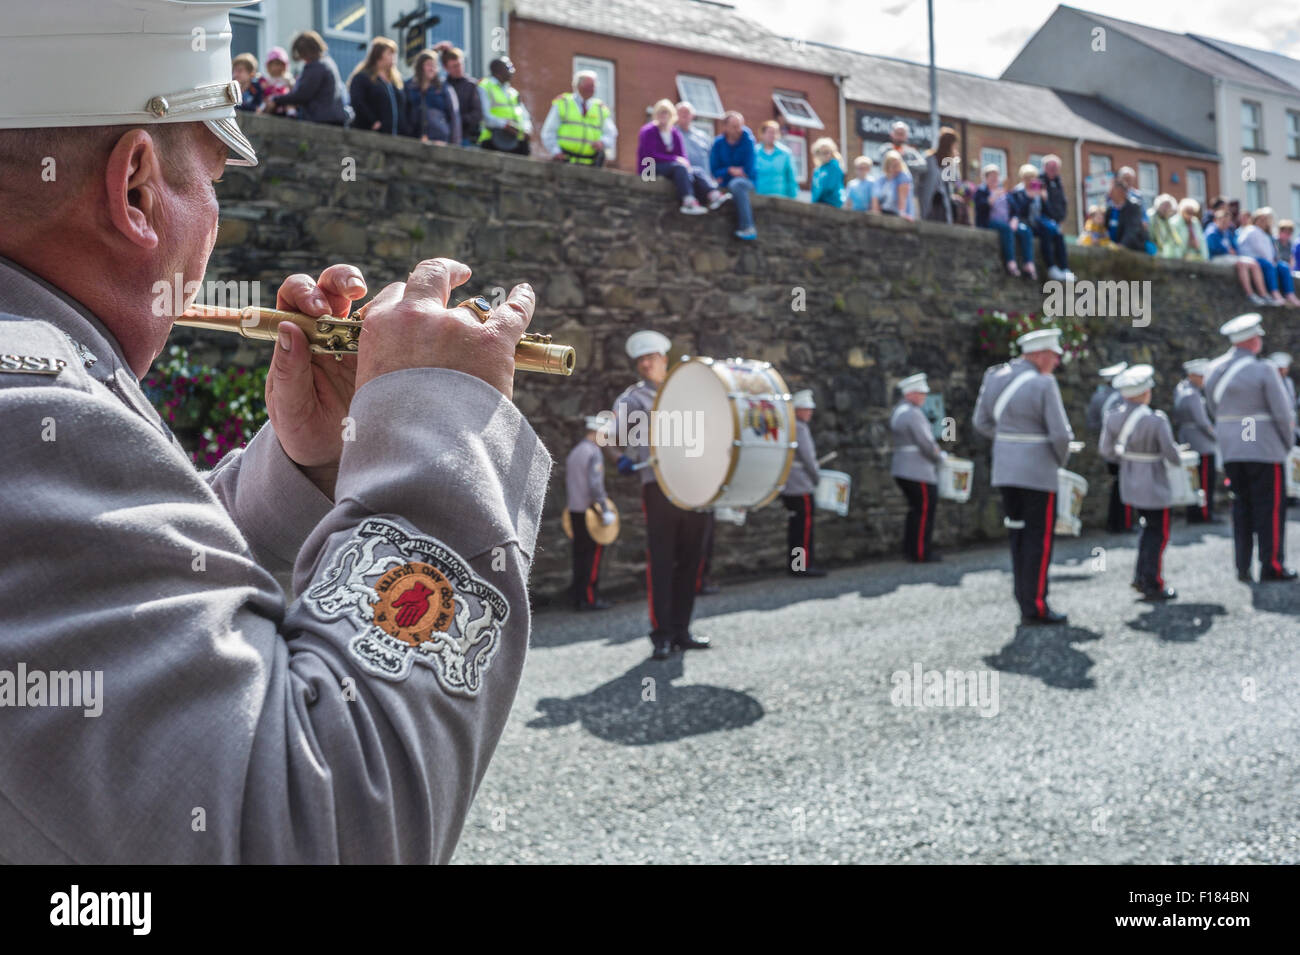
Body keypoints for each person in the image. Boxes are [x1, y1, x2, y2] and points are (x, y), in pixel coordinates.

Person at [0, 0, 549, 864]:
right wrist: (443, 428)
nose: (213, 222)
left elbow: (137, 617)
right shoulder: (31, 407)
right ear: (137, 186)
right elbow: (313, 825)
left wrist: (306, 469)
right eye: (211, 179)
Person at [612, 331, 711, 659]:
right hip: (659, 487)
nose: (644, 364)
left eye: (650, 358)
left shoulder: (688, 393)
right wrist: (622, 459)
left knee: (691, 561)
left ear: (664, 359)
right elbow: (610, 439)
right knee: (662, 562)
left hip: (695, 485)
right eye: (640, 360)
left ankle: (682, 630)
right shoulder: (632, 400)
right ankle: (662, 635)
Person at [973, 328, 1075, 625]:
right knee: (1038, 539)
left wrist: (1009, 443)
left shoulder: (994, 376)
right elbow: (1060, 435)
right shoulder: (1044, 383)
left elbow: (981, 422)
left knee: (1017, 534)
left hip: (1005, 470)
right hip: (1037, 471)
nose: (1056, 362)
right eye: (1054, 356)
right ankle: (1036, 604)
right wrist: (1058, 460)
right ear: (1040, 354)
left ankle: (1024, 599)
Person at [1203, 314, 1298, 582]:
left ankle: (1242, 565)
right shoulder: (1264, 369)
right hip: (1263, 448)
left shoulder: (1213, 369)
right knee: (1270, 508)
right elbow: (1282, 412)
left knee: (1241, 506)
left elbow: (1213, 408)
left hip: (1232, 447)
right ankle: (1271, 565)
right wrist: (1288, 443)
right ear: (1253, 340)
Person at [1102, 366, 1182, 600]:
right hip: (1154, 482)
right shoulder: (1155, 419)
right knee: (1158, 533)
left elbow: (1106, 450)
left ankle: (1141, 576)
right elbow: (1172, 455)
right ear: (1144, 392)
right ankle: (1152, 582)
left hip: (1129, 479)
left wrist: (1128, 458)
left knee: (1147, 530)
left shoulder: (1113, 416)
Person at [636, 99, 725, 215]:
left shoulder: (674, 133)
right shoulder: (648, 131)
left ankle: (713, 194)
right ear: (656, 115)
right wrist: (675, 160)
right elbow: (650, 155)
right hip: (649, 168)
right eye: (660, 112)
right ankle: (688, 201)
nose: (663, 115)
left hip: (669, 166)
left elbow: (682, 155)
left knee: (696, 170)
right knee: (679, 167)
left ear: (671, 115)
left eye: (666, 112)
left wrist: (685, 165)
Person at [891, 373, 945, 563]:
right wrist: (940, 457)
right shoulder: (913, 413)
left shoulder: (899, 410)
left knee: (915, 511)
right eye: (921, 393)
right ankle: (921, 551)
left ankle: (911, 549)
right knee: (923, 511)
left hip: (903, 469)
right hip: (917, 470)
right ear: (911, 394)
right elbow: (926, 443)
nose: (924, 397)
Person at [567, 416, 616, 611]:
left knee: (579, 556)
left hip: (575, 510)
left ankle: (578, 596)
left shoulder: (576, 452)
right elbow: (595, 486)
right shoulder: (593, 452)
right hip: (590, 513)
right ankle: (589, 597)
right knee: (592, 557)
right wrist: (605, 509)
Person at [780, 390, 827, 577]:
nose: (810, 413)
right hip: (801, 484)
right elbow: (808, 458)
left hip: (789, 484)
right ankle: (802, 566)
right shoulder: (800, 428)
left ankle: (795, 565)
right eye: (806, 409)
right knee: (804, 530)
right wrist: (816, 478)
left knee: (796, 528)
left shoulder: (788, 426)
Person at [1086, 361, 1133, 533]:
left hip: (1107, 446)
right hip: (1121, 447)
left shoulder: (1098, 397)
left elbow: (1092, 423)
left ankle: (1114, 523)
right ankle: (1123, 523)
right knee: (1124, 485)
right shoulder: (1120, 398)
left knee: (1117, 485)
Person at [1171, 359, 1219, 523]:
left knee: (1193, 480)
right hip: (1202, 443)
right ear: (1193, 376)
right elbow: (1203, 422)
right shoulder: (1193, 395)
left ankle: (1194, 513)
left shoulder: (1180, 389)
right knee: (1204, 480)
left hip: (1188, 438)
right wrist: (1217, 436)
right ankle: (1204, 514)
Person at [267, 30, 348, 126]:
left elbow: (302, 95)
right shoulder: (327, 62)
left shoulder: (316, 67)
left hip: (321, 120)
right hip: (332, 118)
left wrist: (275, 99)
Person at [1010, 164, 1074, 280]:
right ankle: (1050, 267)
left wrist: (1045, 199)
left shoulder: (1038, 191)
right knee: (1046, 234)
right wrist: (1029, 198)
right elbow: (1017, 211)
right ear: (1023, 178)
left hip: (1037, 223)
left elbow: (1048, 212)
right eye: (1028, 178)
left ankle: (1064, 267)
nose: (1031, 181)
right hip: (1025, 223)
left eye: (1033, 178)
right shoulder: (1017, 192)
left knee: (1057, 234)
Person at [541, 70, 616, 166]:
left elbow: (611, 133)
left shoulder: (600, 108)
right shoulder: (563, 103)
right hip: (565, 161)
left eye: (594, 86)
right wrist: (555, 151)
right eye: (589, 86)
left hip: (591, 164)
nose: (593, 89)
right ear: (578, 86)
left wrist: (603, 142)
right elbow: (548, 131)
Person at [974, 164, 1032, 276]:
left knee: (1026, 231)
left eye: (997, 176)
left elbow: (1016, 210)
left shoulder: (1005, 193)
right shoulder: (981, 192)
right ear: (986, 178)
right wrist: (993, 197)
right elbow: (980, 208)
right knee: (1006, 229)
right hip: (989, 223)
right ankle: (1011, 262)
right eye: (992, 176)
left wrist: (1015, 219)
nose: (995, 179)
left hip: (1008, 223)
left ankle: (1028, 263)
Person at [1206, 206, 1271, 305]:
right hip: (1216, 258)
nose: (1226, 225)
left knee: (1253, 263)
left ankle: (1263, 294)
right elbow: (1214, 248)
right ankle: (1250, 294)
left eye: (1227, 223)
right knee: (1241, 263)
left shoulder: (1227, 232)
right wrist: (1227, 250)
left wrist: (1232, 251)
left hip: (1228, 257)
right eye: (1223, 222)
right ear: (1216, 220)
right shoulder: (1212, 232)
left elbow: (1235, 247)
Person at [1236, 208, 1300, 307]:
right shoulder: (1252, 230)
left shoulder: (1265, 233)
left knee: (1284, 266)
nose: (1263, 222)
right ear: (1255, 220)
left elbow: (1271, 251)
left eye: (1265, 220)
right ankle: (1274, 293)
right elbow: (1259, 249)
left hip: (1266, 258)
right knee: (1269, 266)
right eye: (1261, 220)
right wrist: (1271, 260)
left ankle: (1289, 294)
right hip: (1254, 258)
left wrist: (1274, 260)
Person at [710, 111, 758, 241]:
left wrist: (725, 173)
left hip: (747, 183)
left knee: (736, 184)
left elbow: (748, 170)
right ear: (725, 127)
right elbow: (714, 170)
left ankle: (748, 226)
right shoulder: (718, 143)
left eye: (740, 125)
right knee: (708, 189)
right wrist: (730, 170)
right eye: (734, 126)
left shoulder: (748, 141)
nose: (738, 129)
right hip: (723, 182)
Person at [348, 37, 403, 136]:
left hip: (394, 137)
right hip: (370, 134)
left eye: (394, 54)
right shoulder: (363, 78)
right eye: (389, 53)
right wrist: (373, 121)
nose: (393, 57)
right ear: (378, 55)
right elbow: (357, 101)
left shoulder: (395, 83)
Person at [403, 49, 459, 145]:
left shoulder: (444, 87)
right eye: (429, 65)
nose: (432, 68)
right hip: (414, 138)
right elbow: (404, 113)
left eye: (434, 65)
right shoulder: (408, 87)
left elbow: (454, 116)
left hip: (440, 138)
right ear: (420, 67)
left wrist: (454, 143)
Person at [477, 56, 531, 155]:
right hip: (493, 141)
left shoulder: (512, 92)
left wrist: (526, 129)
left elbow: (524, 115)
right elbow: (484, 115)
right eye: (509, 67)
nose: (512, 70)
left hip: (516, 142)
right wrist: (505, 125)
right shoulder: (485, 87)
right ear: (498, 70)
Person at [436, 44, 483, 148]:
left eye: (460, 64)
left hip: (467, 137)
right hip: (446, 135)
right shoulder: (442, 86)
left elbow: (477, 114)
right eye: (454, 66)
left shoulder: (471, 85)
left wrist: (457, 120)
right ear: (446, 68)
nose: (458, 69)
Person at [674, 101, 720, 196]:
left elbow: (712, 158)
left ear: (693, 115)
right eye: (681, 112)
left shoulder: (703, 136)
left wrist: (715, 176)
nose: (684, 115)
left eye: (687, 112)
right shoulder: (671, 134)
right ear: (675, 115)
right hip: (684, 182)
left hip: (705, 182)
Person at [918, 126, 958, 223]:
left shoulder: (949, 162)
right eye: (954, 144)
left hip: (942, 203)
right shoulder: (929, 158)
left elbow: (953, 182)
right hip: (928, 199)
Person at [754, 120, 798, 199]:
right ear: (762, 134)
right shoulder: (755, 152)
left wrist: (793, 197)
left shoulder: (785, 153)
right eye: (769, 132)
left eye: (775, 132)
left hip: (780, 198)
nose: (772, 135)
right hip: (759, 197)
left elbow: (791, 177)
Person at [1106, 177, 1149, 252]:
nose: (1109, 193)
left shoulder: (1134, 207)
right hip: (1113, 249)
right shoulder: (1110, 209)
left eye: (1112, 190)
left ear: (1121, 192)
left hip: (1133, 251)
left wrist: (1123, 245)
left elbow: (1132, 229)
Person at [875, 149, 915, 220]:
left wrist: (902, 213)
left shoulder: (903, 176)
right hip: (884, 212)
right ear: (887, 166)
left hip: (898, 213)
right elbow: (876, 196)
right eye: (894, 166)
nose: (897, 169)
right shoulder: (882, 179)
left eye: (898, 165)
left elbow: (902, 197)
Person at [809, 136, 845, 207]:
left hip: (832, 203)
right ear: (817, 154)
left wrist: (817, 198)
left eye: (828, 152)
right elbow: (814, 188)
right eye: (823, 152)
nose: (826, 155)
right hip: (819, 203)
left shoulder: (834, 166)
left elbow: (829, 186)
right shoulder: (817, 170)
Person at [260, 46, 294, 116]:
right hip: (271, 102)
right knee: (268, 104)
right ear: (269, 66)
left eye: (279, 64)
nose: (277, 67)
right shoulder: (267, 79)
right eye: (274, 64)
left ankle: (292, 115)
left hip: (284, 101)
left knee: (290, 105)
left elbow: (293, 89)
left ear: (285, 66)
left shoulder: (287, 78)